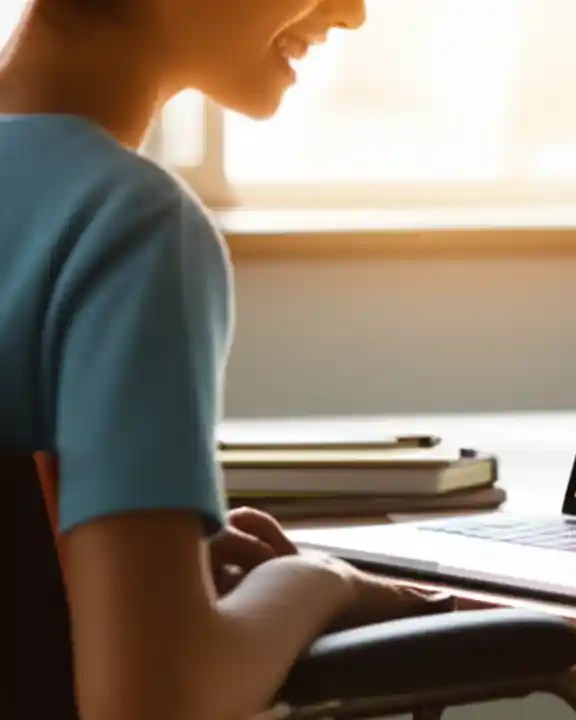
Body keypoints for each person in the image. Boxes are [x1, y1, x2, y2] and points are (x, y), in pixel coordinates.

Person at [0, 1, 447, 718]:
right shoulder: (120, 225)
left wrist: (130, 575)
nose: (354, 12)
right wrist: (316, 581)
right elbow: (156, 704)